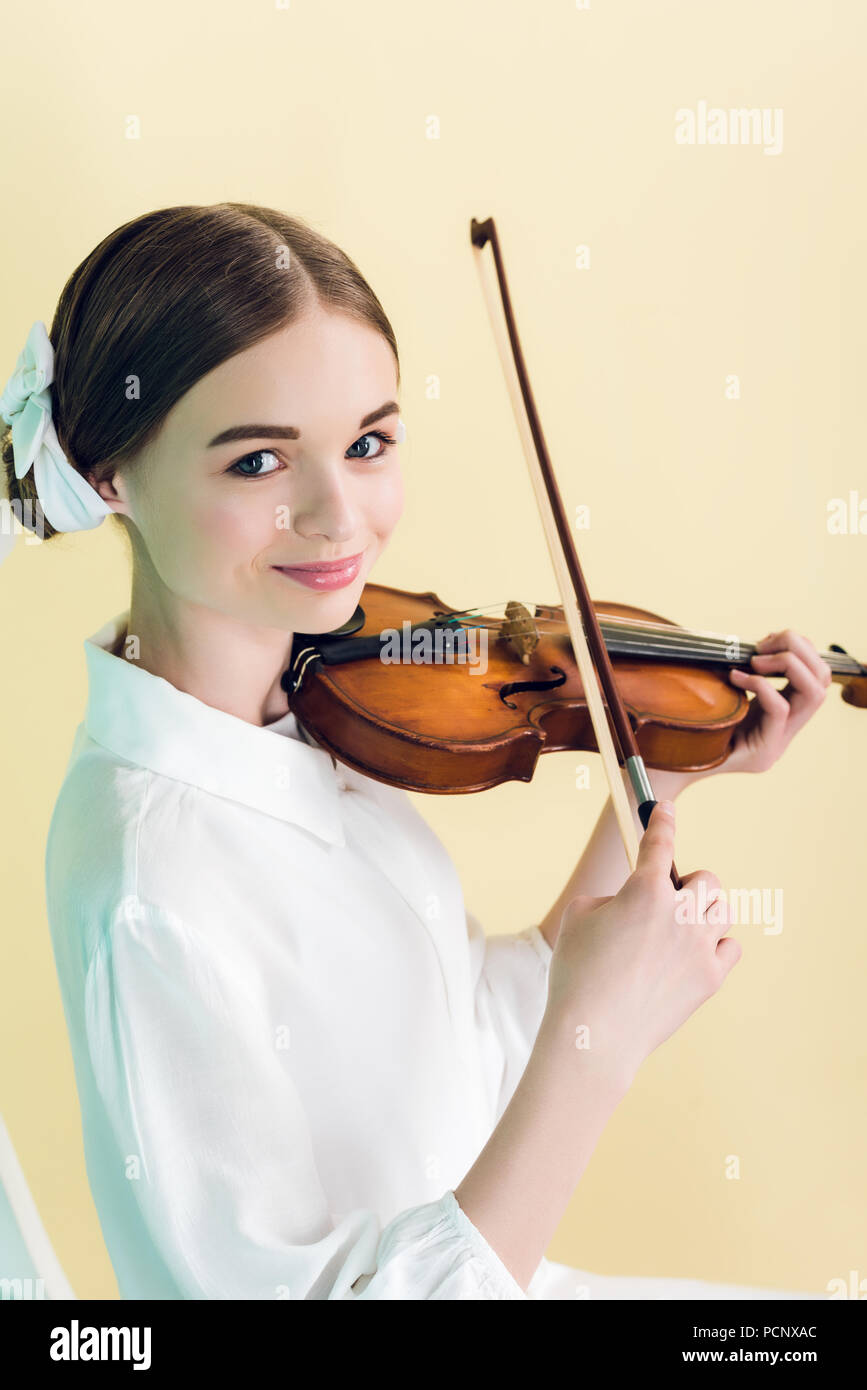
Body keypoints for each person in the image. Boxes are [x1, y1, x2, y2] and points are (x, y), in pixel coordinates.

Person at [1, 202, 830, 1299]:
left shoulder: (320, 712)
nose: (339, 516)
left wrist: (665, 759)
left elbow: (444, 1073)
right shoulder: (151, 884)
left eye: (369, 443)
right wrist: (595, 1042)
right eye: (258, 462)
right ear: (111, 477)